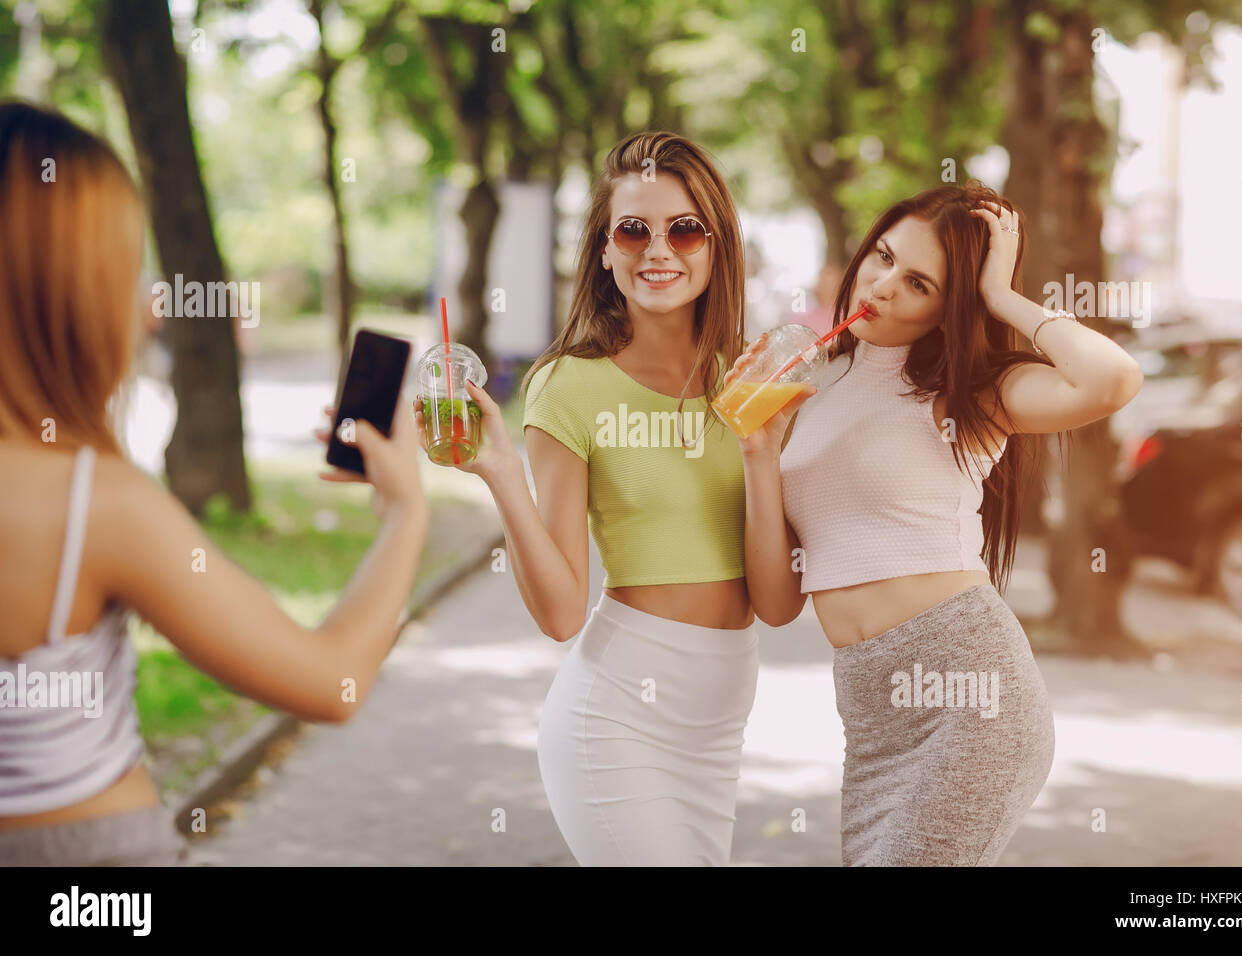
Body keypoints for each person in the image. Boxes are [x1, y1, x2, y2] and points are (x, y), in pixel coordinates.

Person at [0, 101, 429, 865]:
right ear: (68, 292)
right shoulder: (94, 505)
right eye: (127, 269)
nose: (142, 302)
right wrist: (406, 514)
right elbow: (331, 682)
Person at [729, 182, 1144, 866]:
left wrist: (1003, 297)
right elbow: (776, 602)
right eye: (883, 256)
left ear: (950, 307)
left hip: (972, 703)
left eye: (918, 283)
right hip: (869, 716)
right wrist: (756, 453)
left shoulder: (970, 392)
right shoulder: (812, 383)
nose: (884, 285)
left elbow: (1112, 380)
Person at [415, 131, 754, 866]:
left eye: (684, 228)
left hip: (719, 719)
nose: (657, 250)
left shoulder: (751, 379)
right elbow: (563, 613)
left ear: (717, 244)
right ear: (604, 250)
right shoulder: (569, 384)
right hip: (618, 716)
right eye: (632, 230)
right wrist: (503, 477)